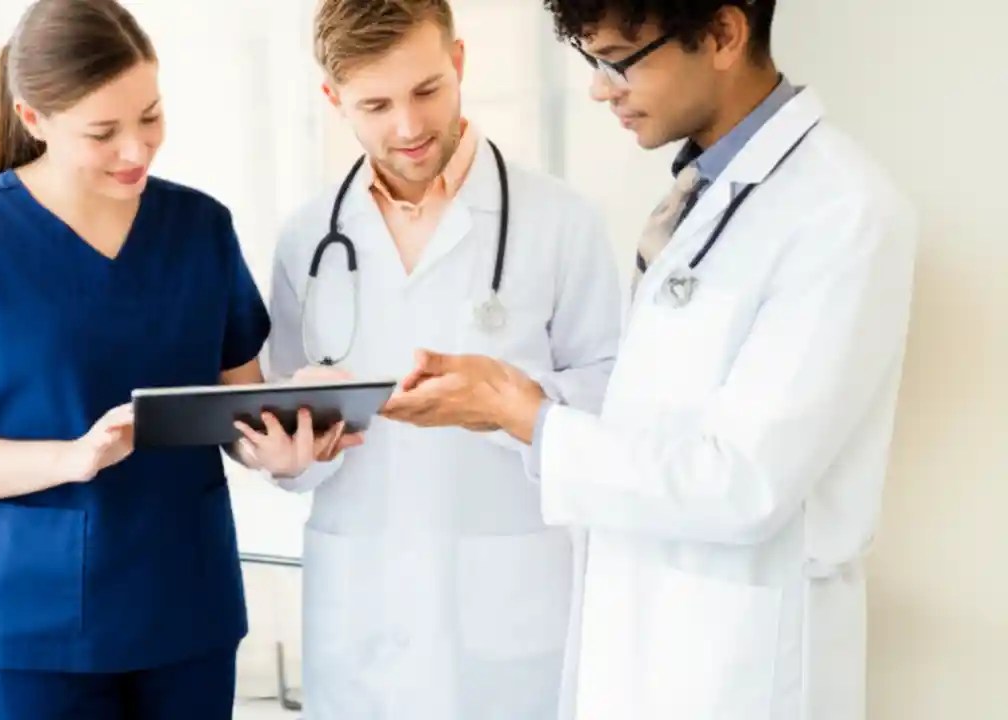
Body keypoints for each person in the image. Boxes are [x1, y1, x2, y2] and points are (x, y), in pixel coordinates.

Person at [382, 1, 918, 718]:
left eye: (619, 61)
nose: (600, 89)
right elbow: (658, 414)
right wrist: (514, 396)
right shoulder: (704, 195)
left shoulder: (843, 214)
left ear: (723, 34)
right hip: (647, 641)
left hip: (742, 665)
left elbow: (744, 483)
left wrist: (532, 420)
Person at [0, 1, 345, 717]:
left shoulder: (200, 229)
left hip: (186, 606)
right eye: (103, 132)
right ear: (33, 119)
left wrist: (280, 447)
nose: (137, 150)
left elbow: (238, 412)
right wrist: (72, 458)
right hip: (30, 626)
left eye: (150, 116)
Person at [256, 1, 622, 718]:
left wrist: (503, 405)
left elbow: (610, 395)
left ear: (458, 62)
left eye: (426, 89)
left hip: (510, 609)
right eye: (376, 105)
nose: (409, 126)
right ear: (334, 99)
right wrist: (291, 458)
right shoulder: (307, 238)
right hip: (362, 611)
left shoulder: (561, 221)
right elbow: (287, 420)